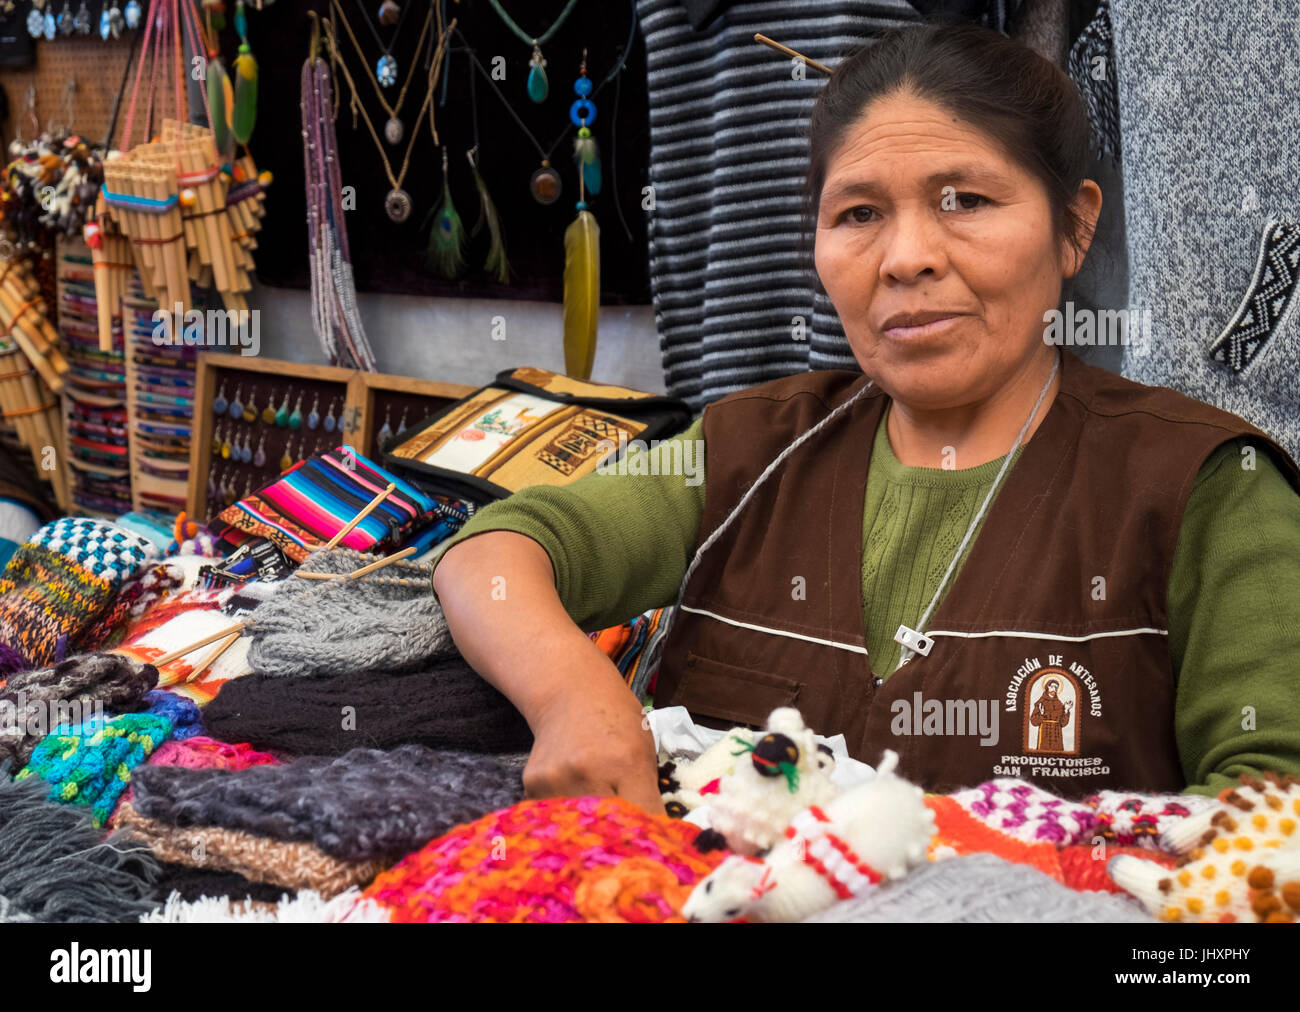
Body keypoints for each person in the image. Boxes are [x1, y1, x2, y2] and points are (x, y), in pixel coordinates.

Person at [431, 23, 1300, 808]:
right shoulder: (746, 449)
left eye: (966, 199)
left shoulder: (1206, 488)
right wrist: (576, 697)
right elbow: (493, 555)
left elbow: (1274, 817)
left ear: (1074, 227)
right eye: (858, 214)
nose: (908, 257)